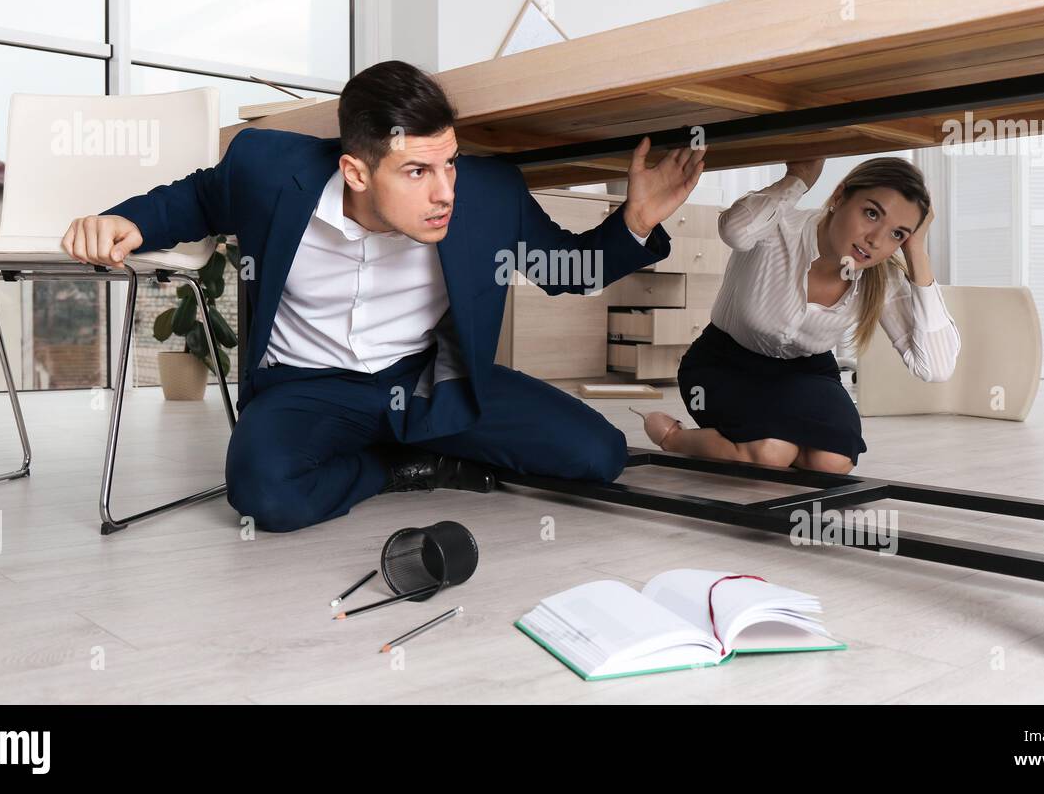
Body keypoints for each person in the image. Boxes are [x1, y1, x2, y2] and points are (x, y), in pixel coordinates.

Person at [60, 60, 705, 531]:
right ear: (356, 171)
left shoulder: (487, 193)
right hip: (306, 384)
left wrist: (636, 222)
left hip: (429, 380)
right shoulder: (267, 169)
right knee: (265, 496)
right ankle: (396, 466)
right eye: (417, 171)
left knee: (598, 456)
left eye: (448, 162)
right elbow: (201, 196)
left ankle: (418, 438)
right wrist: (129, 221)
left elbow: (563, 268)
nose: (444, 191)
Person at [632, 155, 959, 474]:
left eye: (897, 233)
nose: (875, 240)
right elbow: (733, 229)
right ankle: (675, 439)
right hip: (725, 367)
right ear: (840, 195)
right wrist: (797, 180)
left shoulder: (880, 277)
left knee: (831, 463)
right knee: (771, 452)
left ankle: (764, 443)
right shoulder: (778, 224)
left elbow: (936, 366)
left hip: (808, 376)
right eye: (872, 213)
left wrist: (916, 250)